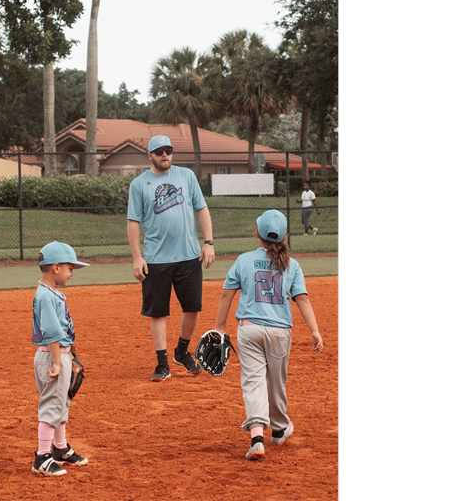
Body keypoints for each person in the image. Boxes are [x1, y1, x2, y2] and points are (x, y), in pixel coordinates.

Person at [213, 210, 323, 460]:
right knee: (276, 382)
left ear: (257, 234)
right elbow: (302, 299)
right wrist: (314, 331)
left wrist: (220, 327)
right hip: (279, 332)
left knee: (253, 382)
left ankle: (257, 438)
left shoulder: (243, 260)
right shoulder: (291, 264)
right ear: (284, 236)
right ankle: (280, 428)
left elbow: (226, 295)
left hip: (249, 330)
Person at [127, 135, 216, 382]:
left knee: (193, 308)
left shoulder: (186, 176)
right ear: (150, 156)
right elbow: (133, 222)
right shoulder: (139, 184)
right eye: (159, 151)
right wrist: (137, 257)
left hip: (189, 256)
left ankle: (181, 351)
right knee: (158, 312)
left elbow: (201, 208)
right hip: (156, 259)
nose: (165, 155)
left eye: (168, 150)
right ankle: (162, 364)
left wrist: (208, 243)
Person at [30, 241, 91, 477]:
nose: (72, 273)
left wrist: (71, 358)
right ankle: (42, 456)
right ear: (55, 268)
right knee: (52, 405)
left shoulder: (52, 293)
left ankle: (60, 448)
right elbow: (52, 333)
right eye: (70, 268)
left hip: (60, 355)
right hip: (51, 357)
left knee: (61, 403)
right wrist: (57, 362)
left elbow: (63, 334)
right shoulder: (46, 296)